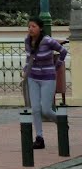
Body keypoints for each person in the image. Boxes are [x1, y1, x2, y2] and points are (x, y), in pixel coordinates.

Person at [24, 17, 67, 149]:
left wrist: (56, 66)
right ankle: (39, 138)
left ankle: (61, 122)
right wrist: (25, 70)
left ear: (40, 28)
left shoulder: (47, 41)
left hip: (48, 78)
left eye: (34, 26)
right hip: (33, 77)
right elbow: (28, 57)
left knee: (46, 110)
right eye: (29, 26)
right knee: (36, 109)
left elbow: (63, 51)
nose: (31, 29)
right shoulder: (27, 40)